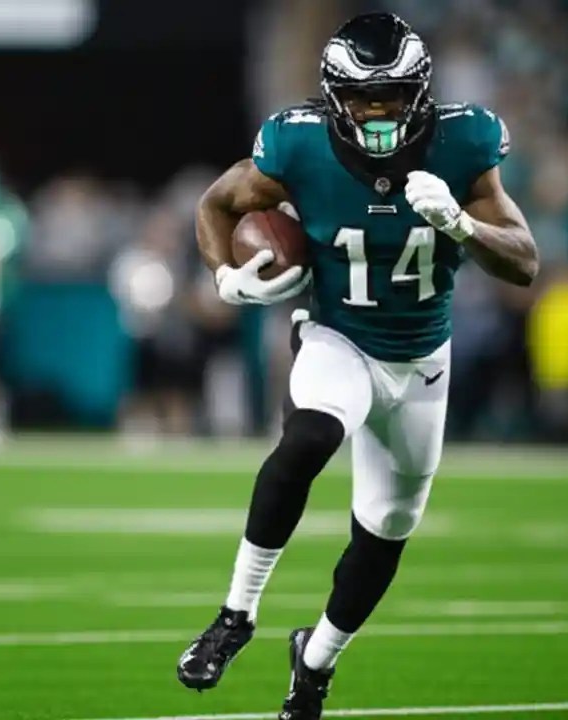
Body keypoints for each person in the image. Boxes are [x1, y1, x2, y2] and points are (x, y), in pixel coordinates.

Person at [177, 13, 539, 719]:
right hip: (339, 338)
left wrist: (464, 225)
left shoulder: (465, 140)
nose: (379, 112)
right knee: (308, 438)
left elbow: (524, 261)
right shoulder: (298, 141)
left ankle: (314, 665)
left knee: (383, 532)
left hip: (424, 360)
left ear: (424, 92)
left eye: (396, 96)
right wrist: (224, 277)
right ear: (333, 96)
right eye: (366, 98)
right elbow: (217, 204)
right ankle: (235, 616)